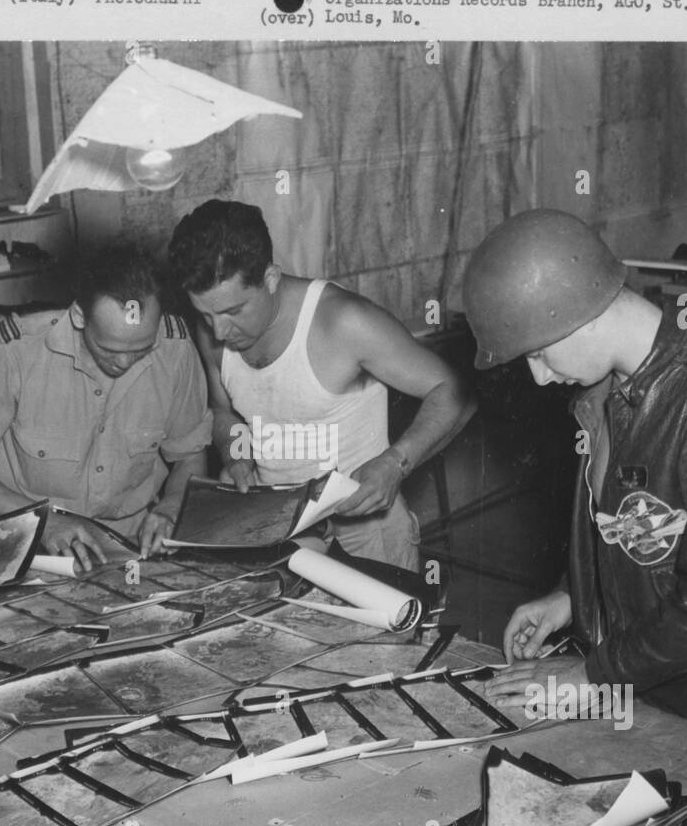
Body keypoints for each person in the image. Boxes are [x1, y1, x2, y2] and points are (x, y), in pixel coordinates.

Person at [461, 210, 687, 750]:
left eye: (538, 353)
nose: (538, 375)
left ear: (582, 313)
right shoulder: (608, 393)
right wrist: (569, 598)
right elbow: (634, 532)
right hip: (632, 685)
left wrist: (589, 675)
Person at [168, 200, 476, 573]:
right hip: (277, 518)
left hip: (364, 515)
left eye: (233, 312)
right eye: (205, 314)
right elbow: (224, 410)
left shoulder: (344, 321)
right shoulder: (213, 331)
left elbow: (454, 392)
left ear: (270, 279)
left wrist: (396, 463)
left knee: (384, 629)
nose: (218, 331)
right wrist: (236, 455)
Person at [0, 242, 211, 567]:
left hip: (127, 550)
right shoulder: (18, 354)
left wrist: (171, 506)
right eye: (109, 349)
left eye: (141, 349)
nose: (124, 362)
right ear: (79, 315)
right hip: (28, 547)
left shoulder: (175, 352)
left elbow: (190, 455)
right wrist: (43, 521)